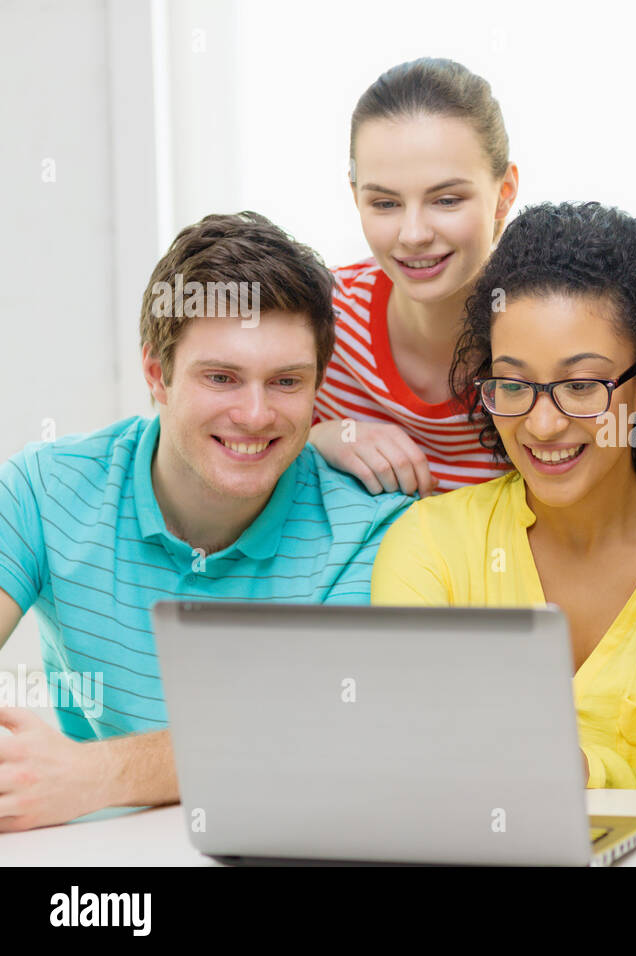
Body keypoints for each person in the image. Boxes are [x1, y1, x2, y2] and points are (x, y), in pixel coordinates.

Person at [0, 212, 410, 831]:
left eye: (286, 382)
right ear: (157, 375)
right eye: (221, 377)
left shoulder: (369, 533)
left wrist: (100, 774)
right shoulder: (44, 489)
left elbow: (332, 736)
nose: (254, 413)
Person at [371, 202, 636, 789]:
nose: (543, 426)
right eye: (514, 384)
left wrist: (579, 773)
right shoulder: (430, 546)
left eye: (579, 386)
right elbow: (411, 759)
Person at [310, 58, 520, 496]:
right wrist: (314, 441)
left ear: (504, 195)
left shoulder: (560, 339)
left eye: (446, 200)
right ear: (356, 196)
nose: (413, 235)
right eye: (385, 204)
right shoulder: (315, 318)